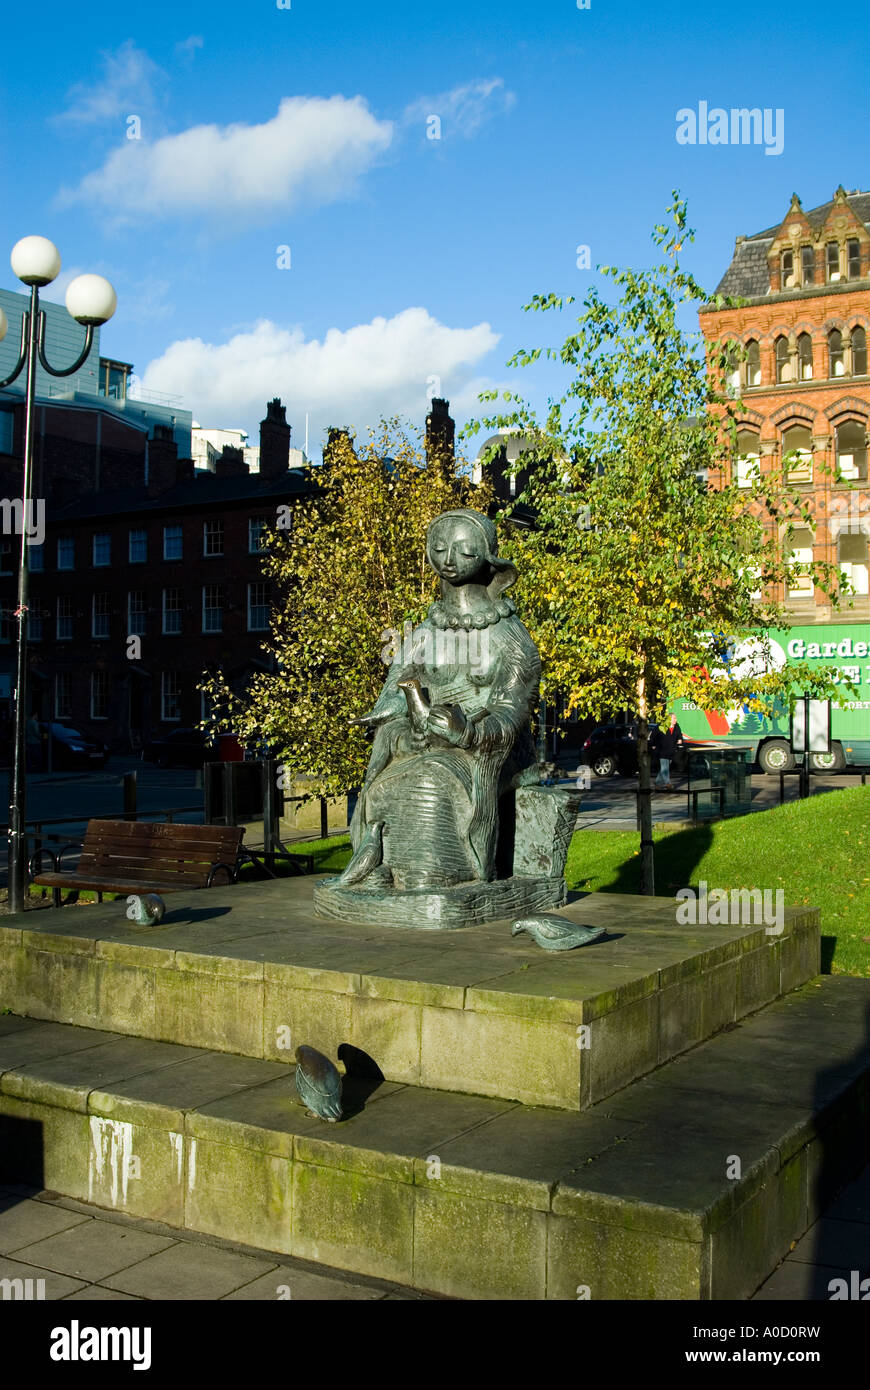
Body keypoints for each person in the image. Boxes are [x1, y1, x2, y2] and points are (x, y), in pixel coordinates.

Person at [347, 508, 541, 891]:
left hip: (489, 752)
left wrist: (469, 731)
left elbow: (512, 711)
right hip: (428, 747)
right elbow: (392, 700)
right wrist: (404, 737)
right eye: (439, 549)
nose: (449, 561)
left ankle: (440, 872)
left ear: (489, 561)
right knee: (385, 780)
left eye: (465, 553)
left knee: (432, 777)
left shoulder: (511, 637)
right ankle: (383, 866)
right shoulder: (423, 634)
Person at [655, 712, 683, 791]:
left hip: (671, 751)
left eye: (675, 718)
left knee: (664, 769)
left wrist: (680, 739)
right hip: (662, 750)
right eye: (674, 718)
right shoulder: (662, 726)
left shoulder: (676, 726)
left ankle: (657, 783)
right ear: (669, 719)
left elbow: (679, 734)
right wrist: (654, 744)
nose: (675, 720)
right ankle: (668, 784)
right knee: (665, 768)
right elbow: (654, 735)